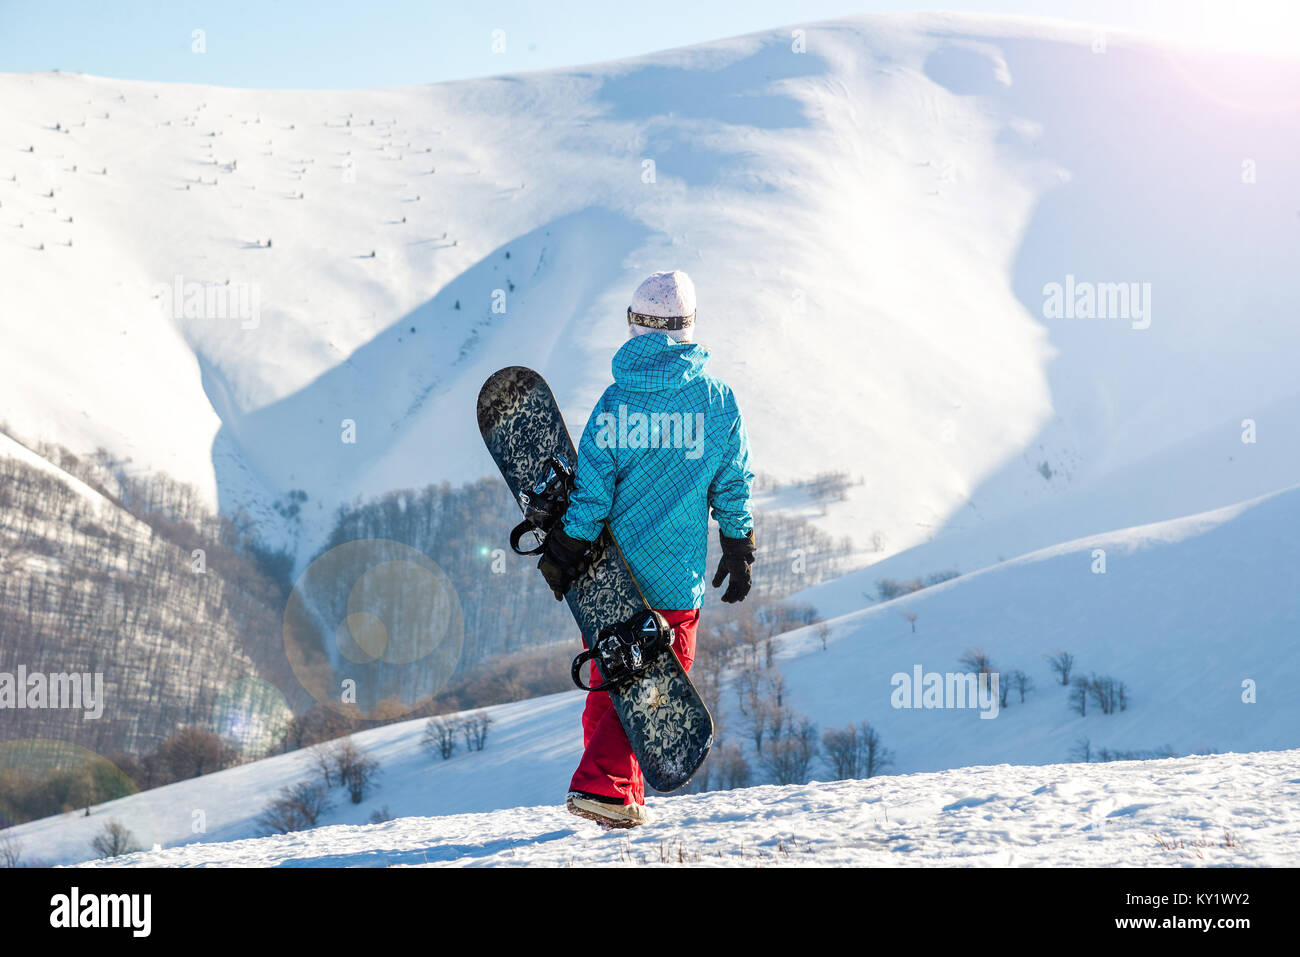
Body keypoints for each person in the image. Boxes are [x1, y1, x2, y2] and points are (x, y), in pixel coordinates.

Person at [537, 270, 756, 828]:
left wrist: (566, 547)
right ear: (689, 327)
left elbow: (591, 493)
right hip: (677, 580)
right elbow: (732, 482)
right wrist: (736, 542)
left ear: (635, 324)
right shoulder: (717, 402)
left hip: (610, 577)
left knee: (614, 679)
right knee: (653, 685)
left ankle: (622, 797)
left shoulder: (615, 403)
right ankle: (605, 788)